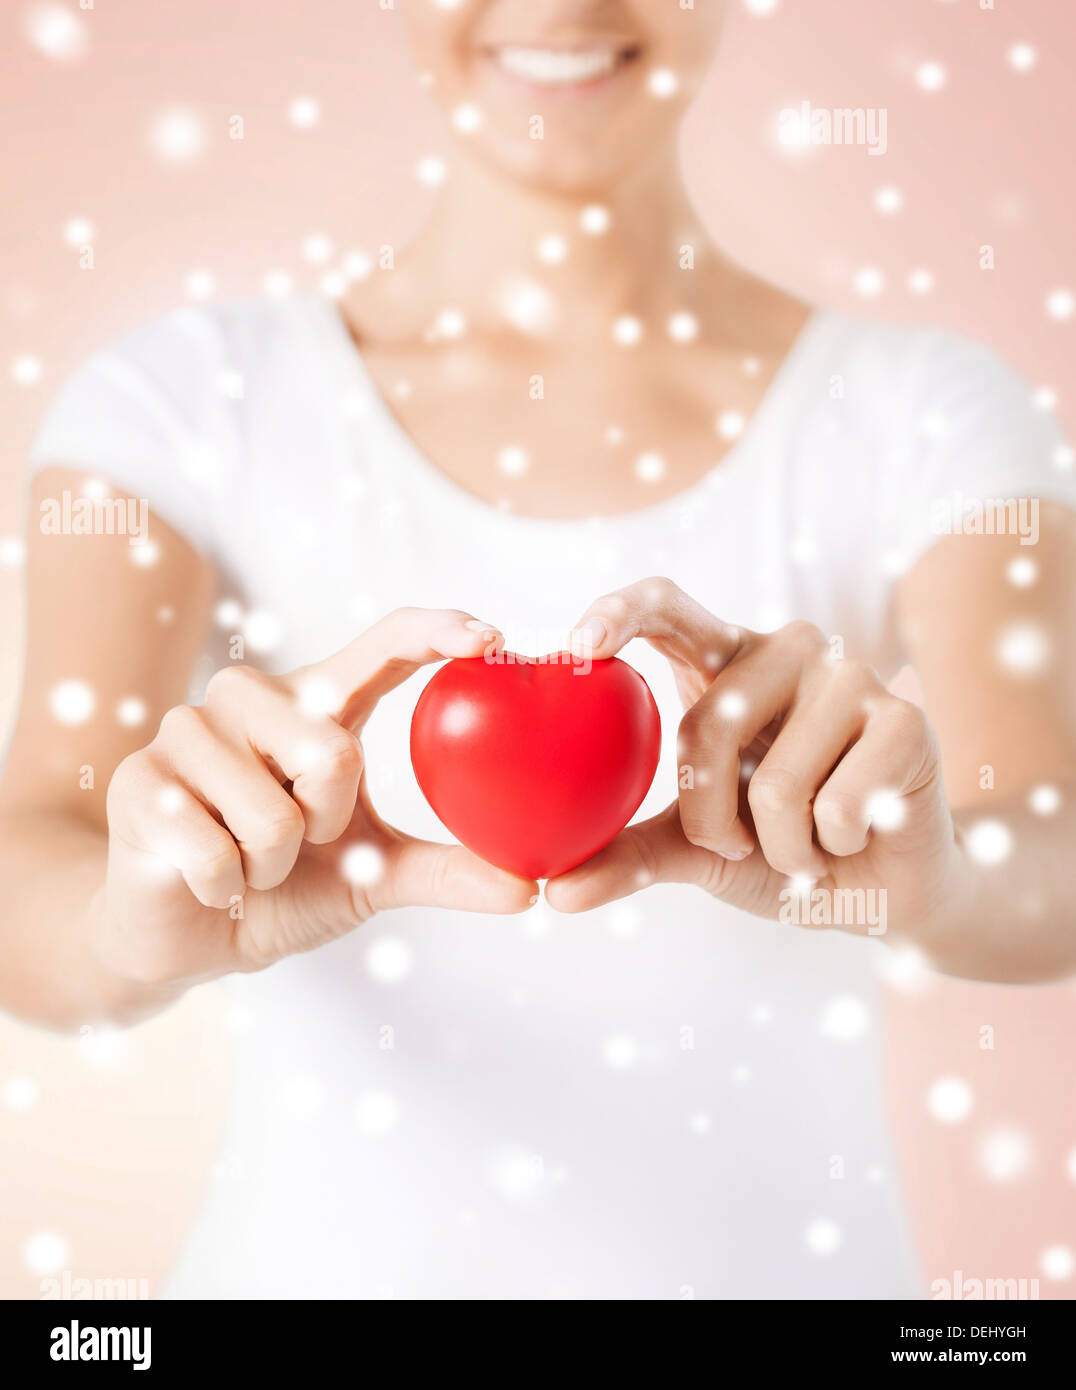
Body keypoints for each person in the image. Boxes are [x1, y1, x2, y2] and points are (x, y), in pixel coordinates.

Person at [2, 0, 1073, 1299]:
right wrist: (128, 927)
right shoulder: (181, 397)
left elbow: (1053, 851)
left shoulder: (923, 409)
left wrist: (939, 880)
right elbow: (32, 862)